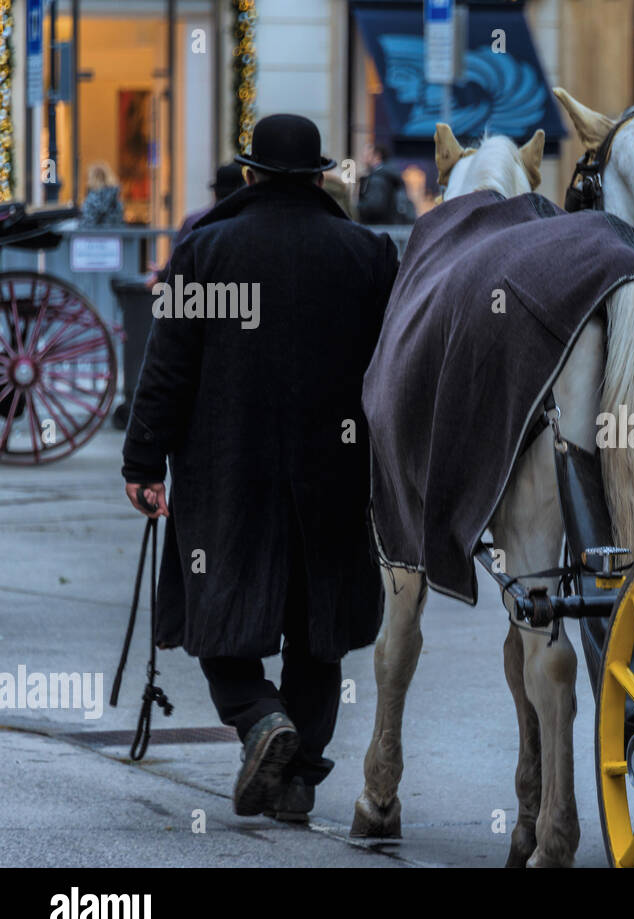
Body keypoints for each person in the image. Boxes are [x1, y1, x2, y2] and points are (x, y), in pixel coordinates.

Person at [121, 114, 399, 821]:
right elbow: (393, 372)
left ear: (249, 175)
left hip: (226, 469)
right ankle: (299, 773)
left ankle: (258, 717)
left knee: (217, 610)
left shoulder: (203, 251)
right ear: (316, 177)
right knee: (319, 627)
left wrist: (143, 460)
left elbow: (167, 368)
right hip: (331, 472)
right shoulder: (366, 253)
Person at [356, 143, 414, 224]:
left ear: (377, 156)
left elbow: (374, 207)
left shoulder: (378, 179)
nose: (363, 158)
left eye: (367, 155)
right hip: (389, 227)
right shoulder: (387, 175)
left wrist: (356, 207)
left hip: (378, 228)